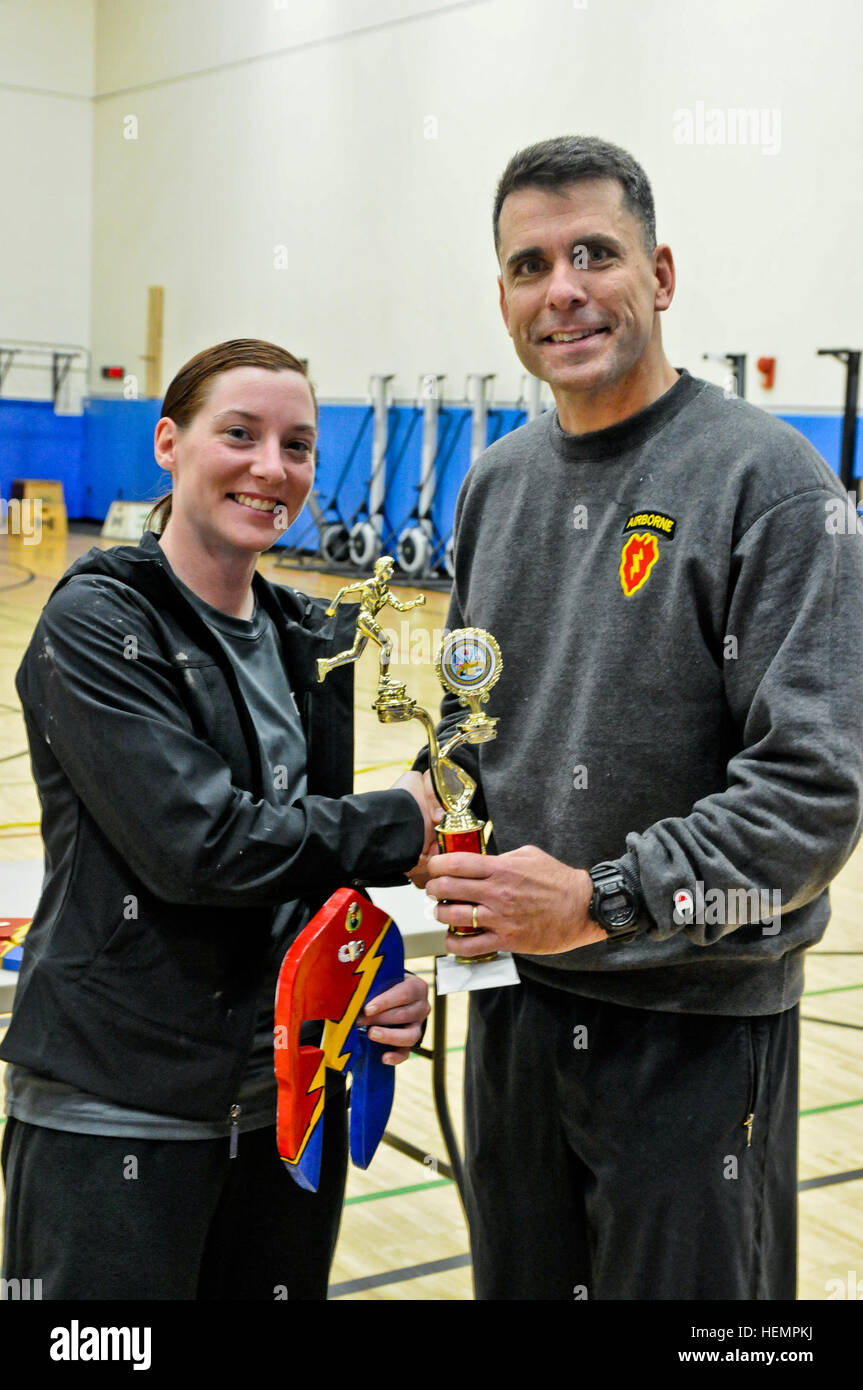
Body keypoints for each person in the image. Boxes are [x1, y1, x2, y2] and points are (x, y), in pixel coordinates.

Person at [421, 136, 863, 1300]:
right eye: (528, 266)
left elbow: (808, 798)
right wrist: (421, 820)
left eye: (593, 255)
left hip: (693, 1034)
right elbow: (468, 733)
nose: (560, 290)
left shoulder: (769, 486)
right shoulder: (495, 484)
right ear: (503, 299)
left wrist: (600, 899)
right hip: (515, 1017)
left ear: (658, 275)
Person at [1, 338, 435, 1300]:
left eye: (297, 445)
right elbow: (197, 848)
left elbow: (310, 881)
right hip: (117, 1111)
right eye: (239, 434)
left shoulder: (308, 638)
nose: (271, 467)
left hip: (287, 1111)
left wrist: (372, 987)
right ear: (168, 443)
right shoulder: (99, 620)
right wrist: (400, 823)